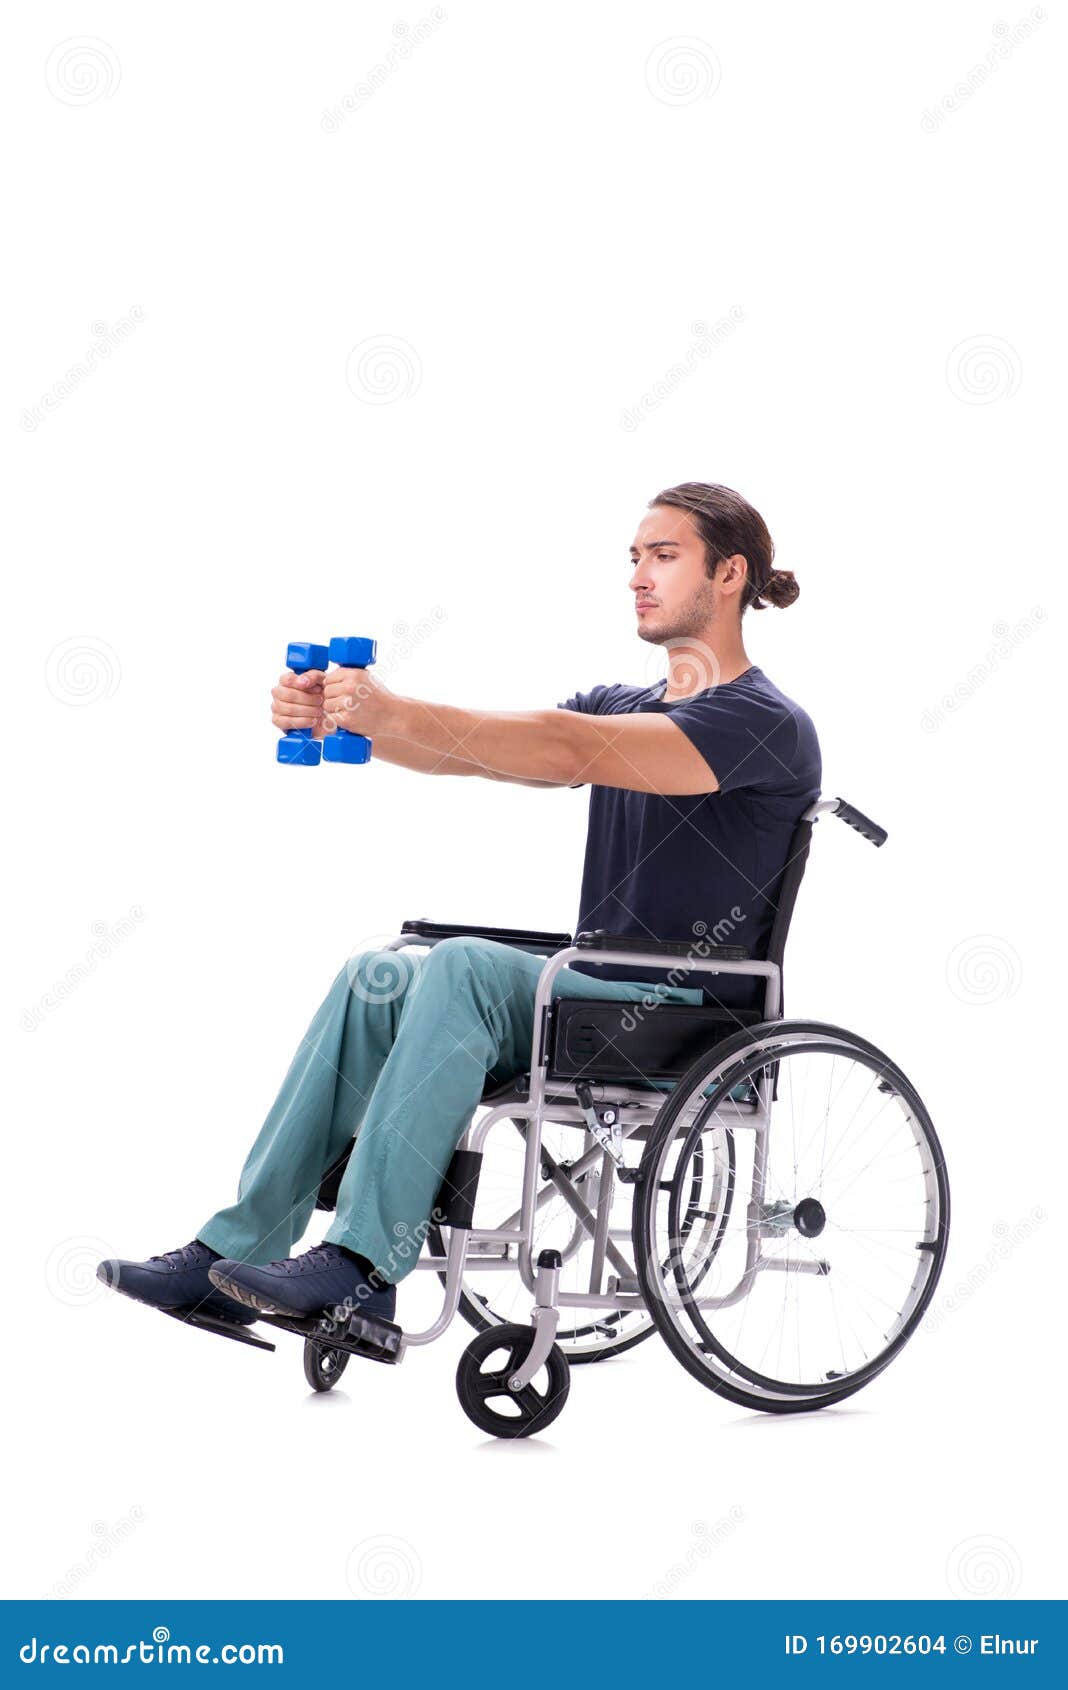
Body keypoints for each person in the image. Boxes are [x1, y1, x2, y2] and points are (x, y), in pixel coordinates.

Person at [97, 481, 821, 1340]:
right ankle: (237, 1246)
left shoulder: (764, 723)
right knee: (377, 974)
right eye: (634, 557)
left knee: (464, 965)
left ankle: (363, 1268)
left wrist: (391, 711)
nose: (638, 575)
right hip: (589, 997)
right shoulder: (622, 706)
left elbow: (568, 747)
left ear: (730, 574)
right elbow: (482, 752)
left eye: (664, 556)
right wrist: (350, 724)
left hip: (685, 1016)